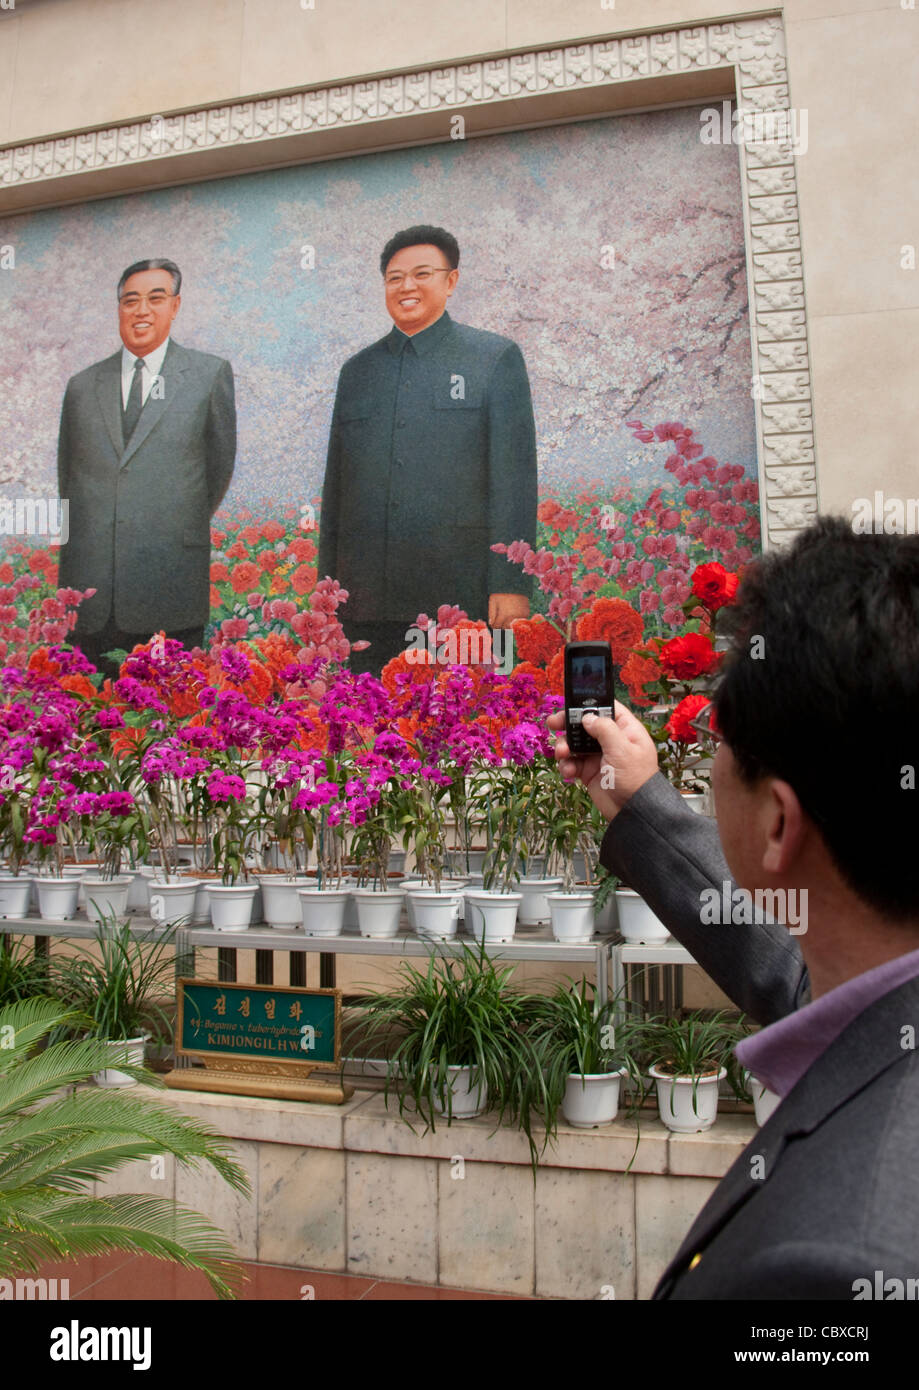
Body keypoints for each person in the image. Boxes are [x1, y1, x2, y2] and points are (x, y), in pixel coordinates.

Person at [551, 516, 919, 1300]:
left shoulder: (833, 1267)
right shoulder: (884, 1003)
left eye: (720, 743)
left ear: (778, 821)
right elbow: (804, 987)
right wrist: (640, 801)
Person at [317, 225, 537, 674]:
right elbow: (336, 491)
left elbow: (514, 480)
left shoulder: (492, 358)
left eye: (422, 273)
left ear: (450, 281)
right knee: (369, 730)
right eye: (395, 277)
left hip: (461, 596)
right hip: (366, 602)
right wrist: (327, 595)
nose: (407, 286)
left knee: (464, 728)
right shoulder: (357, 371)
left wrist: (510, 584)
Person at [57, 258, 236, 677]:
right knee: (86, 722)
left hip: (168, 579)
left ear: (175, 306)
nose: (142, 310)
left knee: (164, 728)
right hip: (90, 591)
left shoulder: (208, 375)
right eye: (130, 300)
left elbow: (217, 468)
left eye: (156, 298)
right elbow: (69, 481)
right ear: (119, 308)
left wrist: (166, 519)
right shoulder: (82, 386)